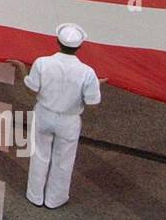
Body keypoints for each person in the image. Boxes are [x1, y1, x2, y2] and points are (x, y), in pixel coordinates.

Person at [9, 23, 103, 208]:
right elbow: (93, 104)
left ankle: (35, 195)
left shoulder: (42, 63)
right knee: (64, 160)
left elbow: (31, 90)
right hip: (69, 120)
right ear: (80, 46)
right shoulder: (88, 73)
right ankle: (55, 199)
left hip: (44, 113)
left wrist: (21, 69)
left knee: (39, 155)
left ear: (57, 41)